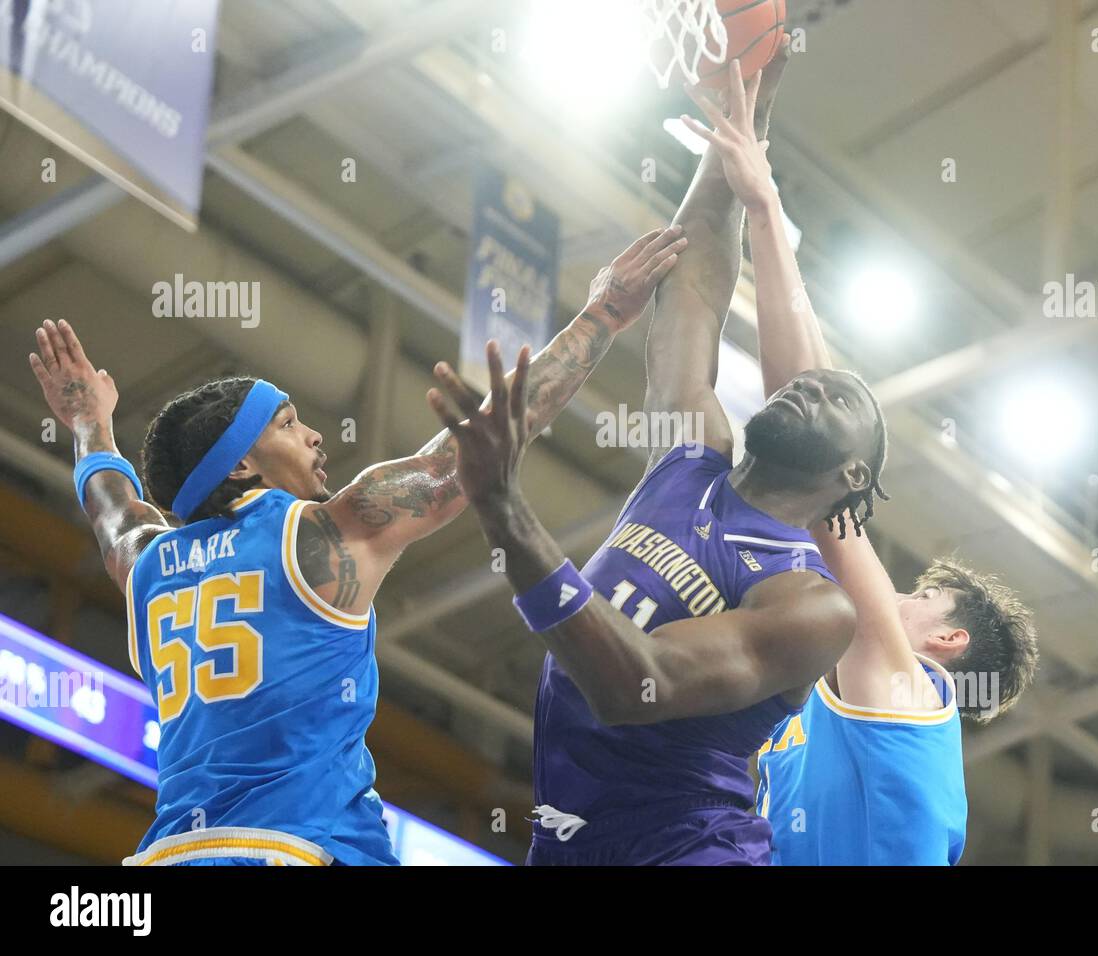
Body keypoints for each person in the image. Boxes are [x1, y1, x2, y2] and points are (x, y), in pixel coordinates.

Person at [26, 228, 684, 866]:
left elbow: (110, 505)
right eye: (286, 424)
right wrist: (603, 315)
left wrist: (89, 423)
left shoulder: (146, 564)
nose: (312, 435)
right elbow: (470, 456)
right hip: (299, 849)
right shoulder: (319, 538)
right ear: (240, 467)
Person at [426, 55, 887, 866]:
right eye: (812, 381)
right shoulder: (691, 454)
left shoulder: (813, 606)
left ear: (852, 477)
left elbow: (637, 685)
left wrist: (503, 504)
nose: (813, 388)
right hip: (573, 841)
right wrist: (747, 109)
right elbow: (698, 280)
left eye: (842, 400)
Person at [680, 50, 1039, 865]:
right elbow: (819, 424)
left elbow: (816, 432)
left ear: (945, 644)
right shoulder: (845, 715)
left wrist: (767, 207)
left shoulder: (909, 695)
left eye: (913, 597)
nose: (889, 594)